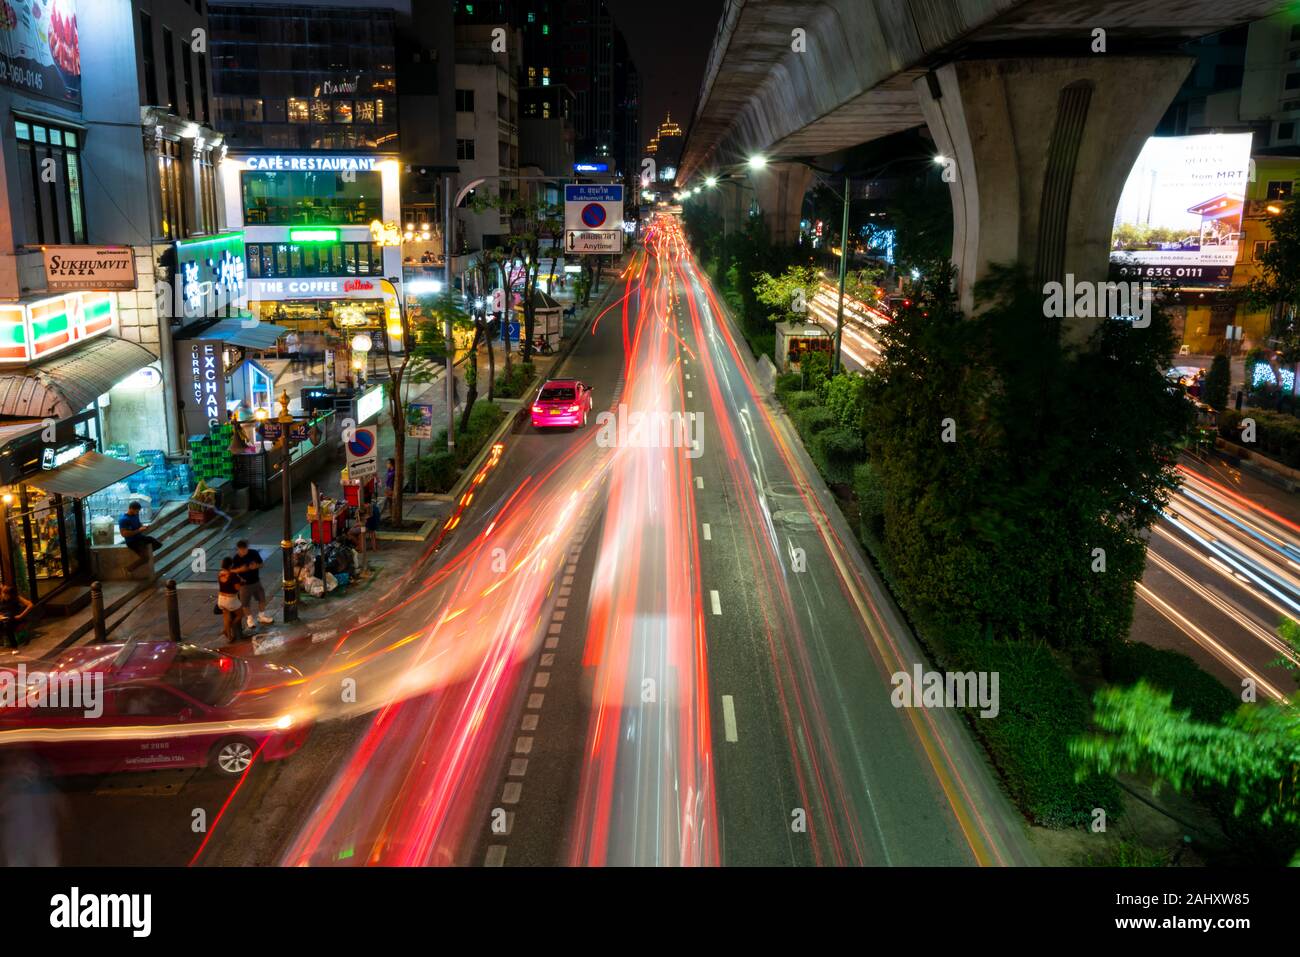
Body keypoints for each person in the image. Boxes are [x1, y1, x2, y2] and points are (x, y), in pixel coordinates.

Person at [231, 540, 273, 630]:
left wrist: (256, 566)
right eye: (241, 550)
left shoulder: (253, 553)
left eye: (244, 550)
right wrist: (240, 570)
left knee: (262, 598)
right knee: (245, 603)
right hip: (244, 584)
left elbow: (261, 564)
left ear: (247, 548)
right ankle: (249, 619)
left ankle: (261, 616)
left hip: (256, 581)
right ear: (238, 549)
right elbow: (231, 571)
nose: (243, 552)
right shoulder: (236, 558)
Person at [118, 502, 162, 571]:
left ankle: (145, 551)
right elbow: (124, 534)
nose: (137, 512)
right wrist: (139, 530)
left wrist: (143, 527)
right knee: (145, 558)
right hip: (132, 542)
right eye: (136, 511)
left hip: (139, 537)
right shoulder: (124, 520)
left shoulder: (135, 515)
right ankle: (128, 568)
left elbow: (138, 524)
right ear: (131, 509)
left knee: (157, 544)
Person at [217, 557, 243, 642]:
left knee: (226, 618)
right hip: (231, 599)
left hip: (221, 599)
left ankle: (229, 636)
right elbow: (237, 588)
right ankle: (231, 626)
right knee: (240, 615)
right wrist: (241, 581)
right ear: (230, 565)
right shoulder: (233, 575)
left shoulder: (220, 573)